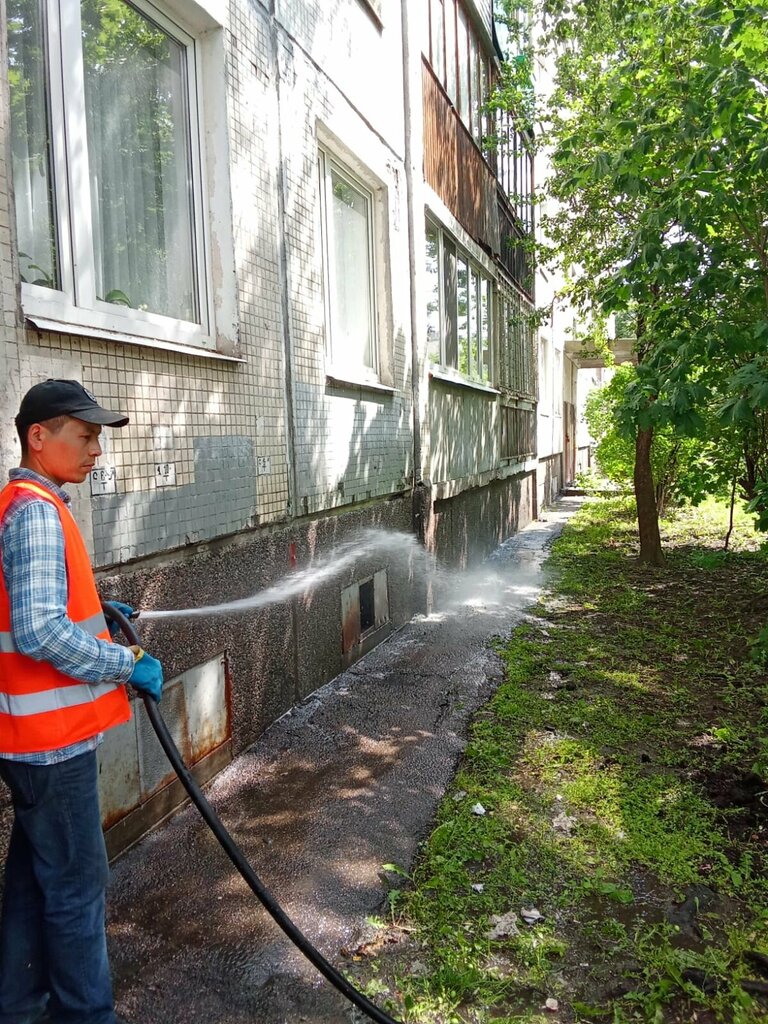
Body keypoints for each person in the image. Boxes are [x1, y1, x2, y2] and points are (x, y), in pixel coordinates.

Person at [0, 380, 164, 1024]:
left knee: (33, 883)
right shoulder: (36, 509)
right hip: (52, 742)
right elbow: (40, 631)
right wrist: (125, 663)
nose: (97, 448)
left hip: (31, 739)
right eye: (86, 433)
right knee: (76, 889)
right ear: (39, 437)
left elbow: (35, 611)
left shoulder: (26, 503)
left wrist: (98, 611)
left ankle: (18, 1006)